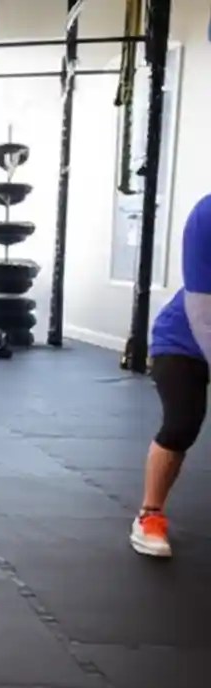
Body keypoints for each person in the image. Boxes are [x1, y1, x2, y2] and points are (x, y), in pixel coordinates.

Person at [132, 193, 211, 559]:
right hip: (185, 339)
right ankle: (149, 515)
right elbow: (203, 315)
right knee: (182, 423)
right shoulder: (207, 215)